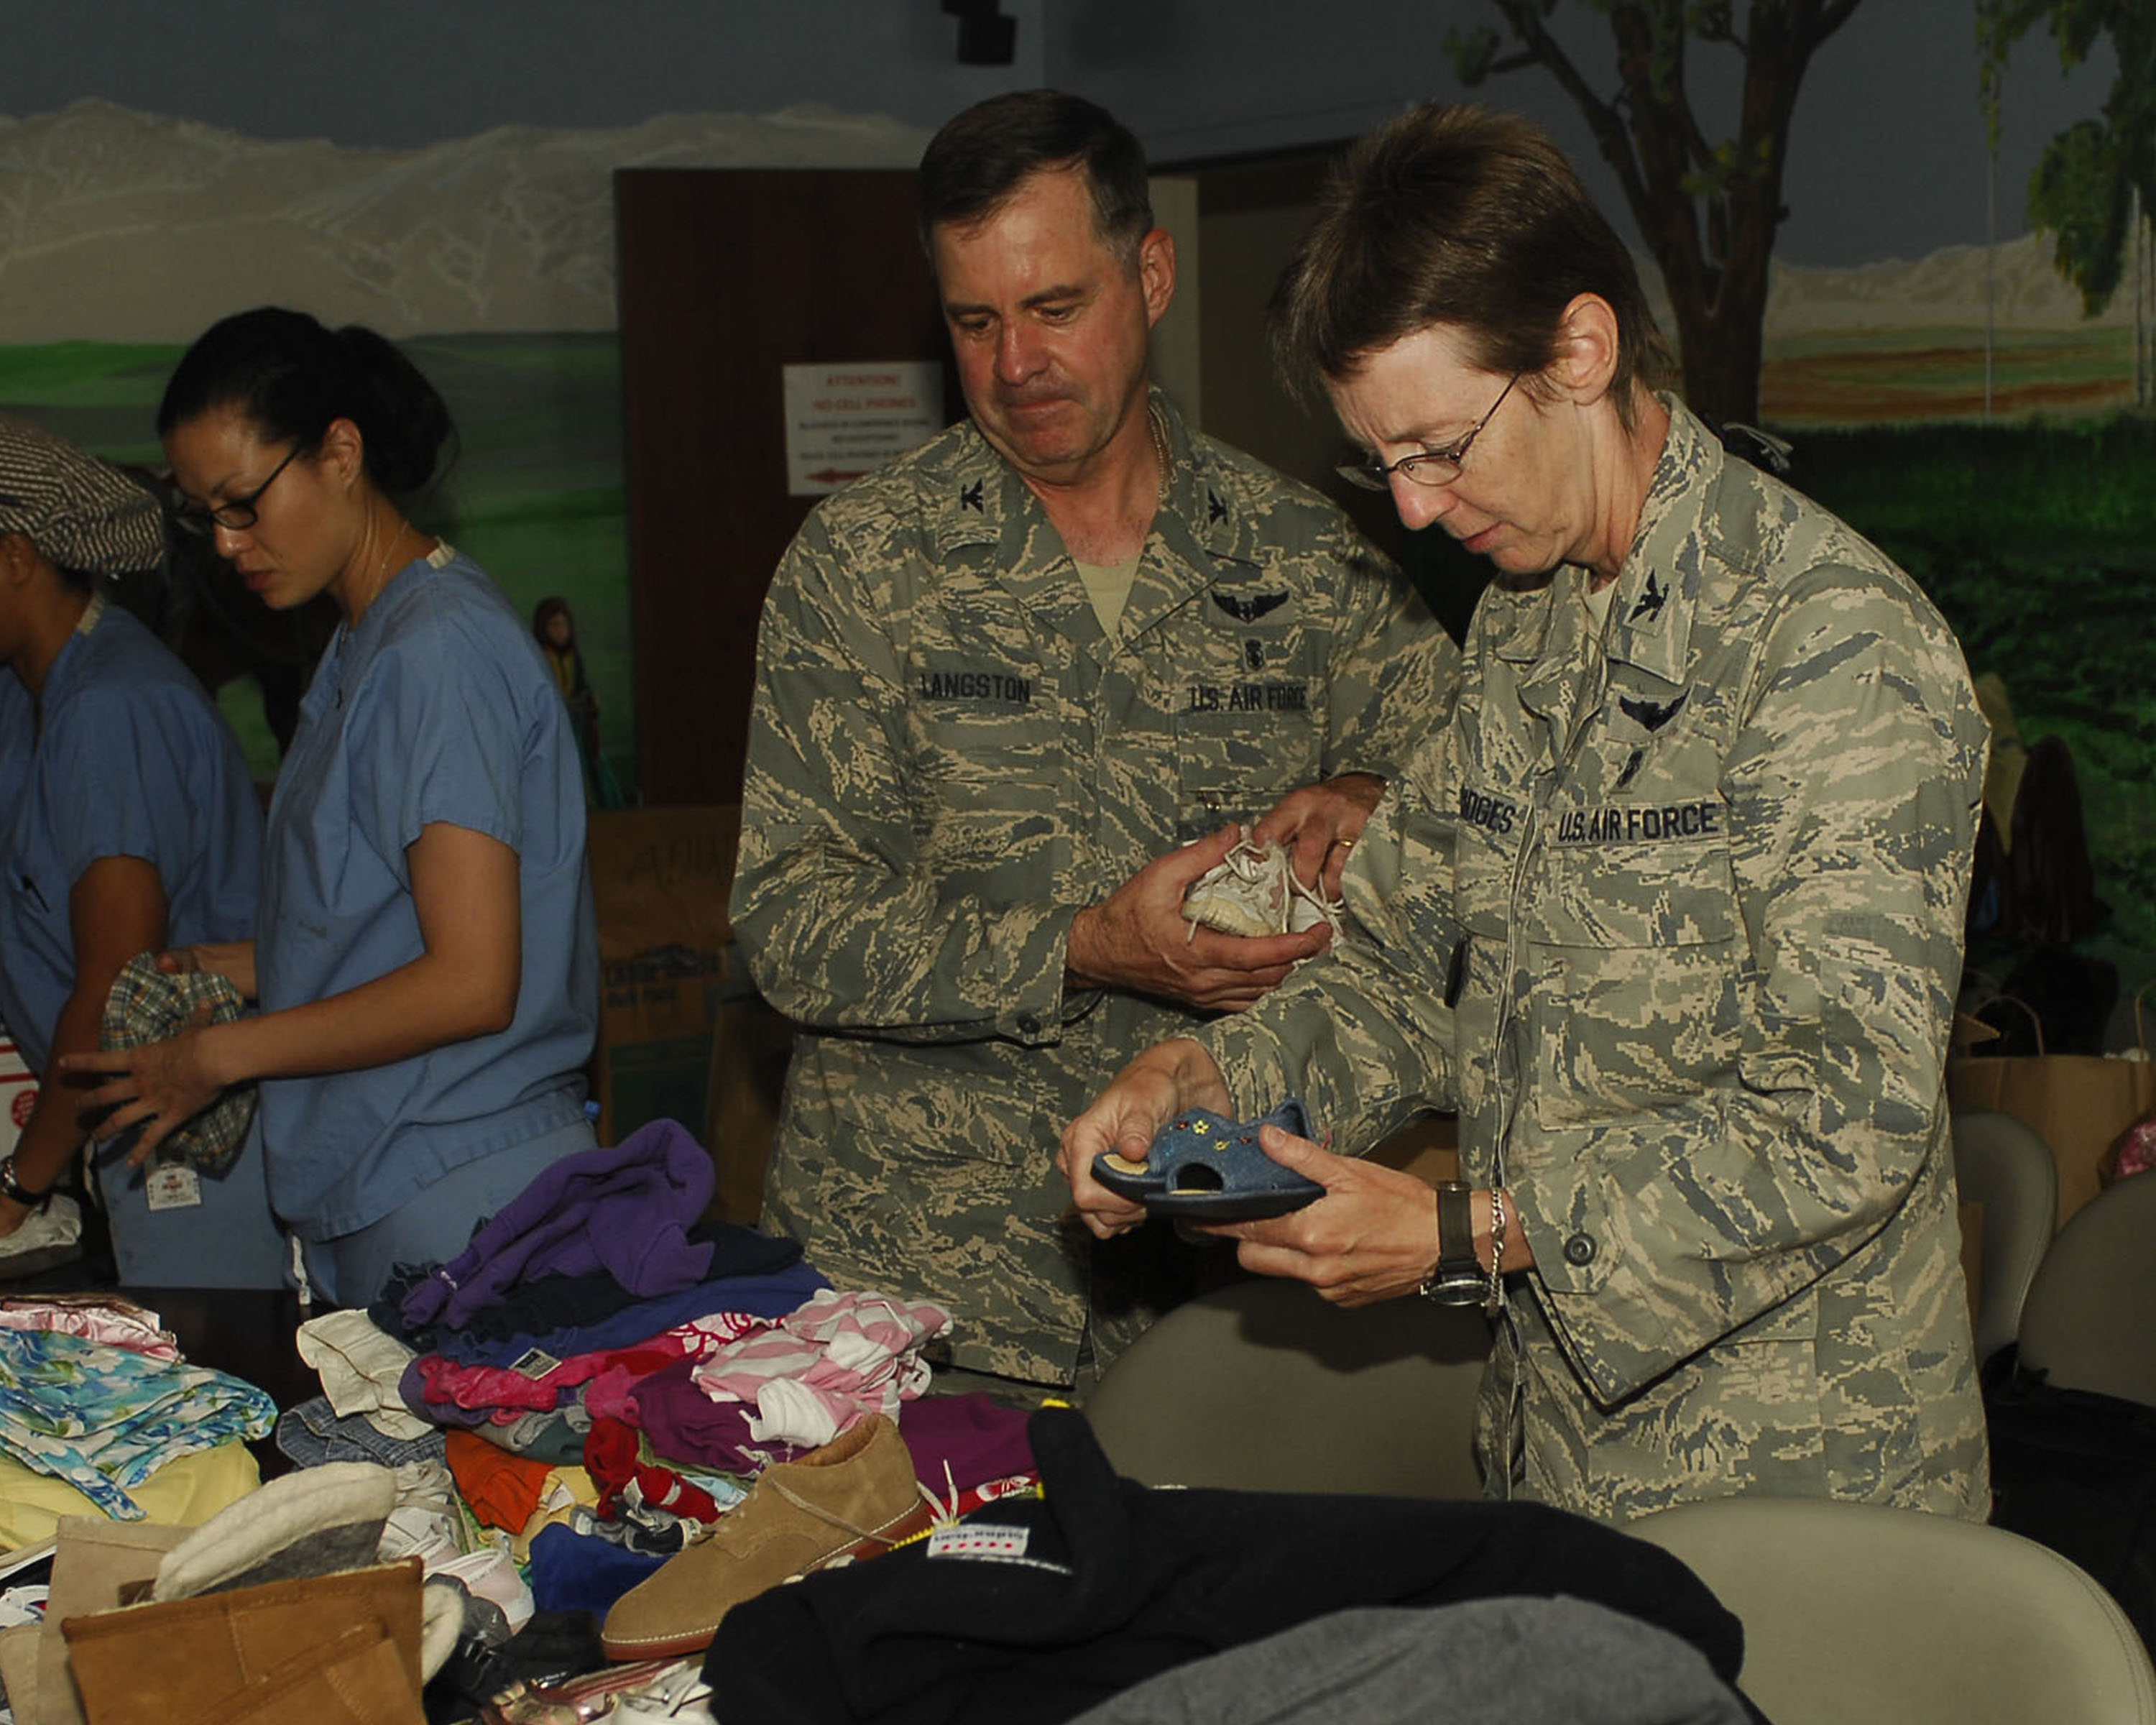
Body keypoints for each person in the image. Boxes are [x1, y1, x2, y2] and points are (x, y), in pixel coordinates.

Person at [1060, 104, 1991, 1522]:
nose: (1419, 513)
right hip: (1553, 1456)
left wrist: (1470, 1233)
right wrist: (1210, 1087)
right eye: (1384, 466)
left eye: (1442, 447)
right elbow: (1401, 969)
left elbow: (1843, 1118)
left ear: (1579, 352)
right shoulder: (1525, 631)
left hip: (1801, 1489)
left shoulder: (1830, 646)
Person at [729, 91, 1459, 1394]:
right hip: (922, 1298)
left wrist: (1364, 790)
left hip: (1228, 1296)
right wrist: (1078, 948)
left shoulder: (1309, 559)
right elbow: (787, 925)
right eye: (975, 322)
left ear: (1153, 272)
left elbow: (1468, 801)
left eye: (1056, 308)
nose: (1017, 363)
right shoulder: (862, 569)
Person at [65, 308, 601, 1307]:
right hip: (390, 1183)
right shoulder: (365, 641)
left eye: (242, 505)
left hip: (456, 1188)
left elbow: (473, 981)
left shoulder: (436, 652)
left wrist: (217, 1055)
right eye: (203, 517)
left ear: (340, 453)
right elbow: (399, 925)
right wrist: (249, 965)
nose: (227, 545)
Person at [0, 413, 285, 1285]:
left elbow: (113, 980)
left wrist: (18, 1184)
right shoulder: (32, 696)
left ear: (15, 558)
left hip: (196, 1154)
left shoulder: (110, 707)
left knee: (215, 1394)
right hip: (133, 1145)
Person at [533, 596, 619, 808]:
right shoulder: (540, 658)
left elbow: (581, 687)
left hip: (578, 730)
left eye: (564, 625)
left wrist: (588, 701)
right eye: (554, 625)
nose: (561, 631)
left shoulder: (573, 657)